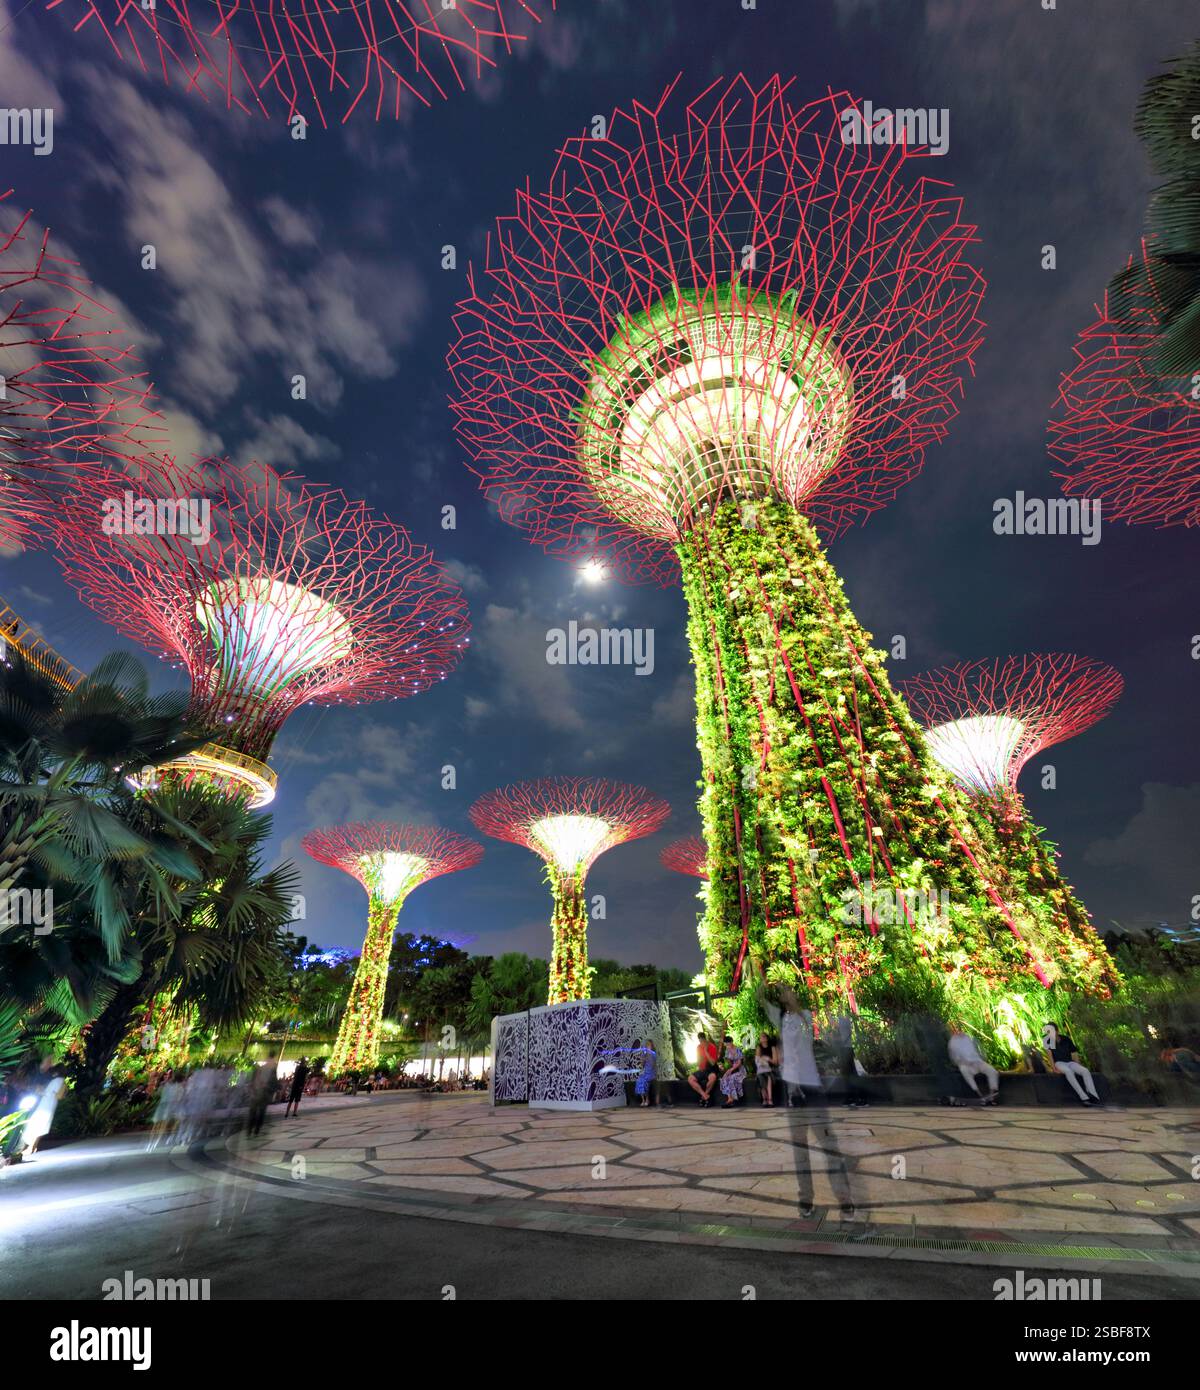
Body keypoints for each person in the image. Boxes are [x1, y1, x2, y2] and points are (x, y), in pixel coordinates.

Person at [1043, 1023, 1099, 1105]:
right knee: (1068, 1072)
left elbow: (1074, 1053)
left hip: (1070, 1062)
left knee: (1085, 1071)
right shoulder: (1046, 1041)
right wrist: (1054, 1068)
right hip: (1059, 1063)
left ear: (1057, 1031)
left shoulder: (1066, 1039)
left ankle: (1093, 1095)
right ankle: (1083, 1097)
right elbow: (1050, 1056)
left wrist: (1078, 1065)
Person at [947, 1023, 999, 1103]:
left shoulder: (968, 1038)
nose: (959, 1031)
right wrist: (962, 1062)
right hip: (966, 1065)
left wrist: (982, 1059)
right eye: (956, 1030)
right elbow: (954, 1059)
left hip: (978, 1063)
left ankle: (993, 1094)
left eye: (959, 1029)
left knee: (992, 1071)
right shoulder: (952, 1043)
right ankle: (978, 1094)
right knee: (965, 1071)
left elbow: (979, 1050)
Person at [246, 1057, 278, 1137]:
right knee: (253, 1113)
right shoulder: (254, 1078)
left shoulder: (266, 1077)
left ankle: (256, 1129)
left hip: (263, 1097)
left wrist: (265, 1087)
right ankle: (250, 1130)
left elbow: (271, 1086)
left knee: (260, 1114)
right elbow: (250, 1085)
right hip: (255, 1097)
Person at [687, 1031, 720, 1106]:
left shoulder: (712, 1047)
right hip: (702, 1070)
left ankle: (703, 1097)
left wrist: (706, 1052)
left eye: (703, 1041)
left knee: (712, 1078)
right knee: (690, 1079)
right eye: (700, 1041)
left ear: (706, 1039)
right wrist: (700, 1059)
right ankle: (705, 1096)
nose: (702, 1042)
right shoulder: (698, 1047)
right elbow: (698, 1062)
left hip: (711, 1070)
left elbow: (713, 1063)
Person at [718, 1032, 746, 1106]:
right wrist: (724, 1066)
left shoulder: (738, 1050)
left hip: (739, 1070)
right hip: (732, 1069)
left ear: (731, 1043)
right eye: (726, 1045)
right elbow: (728, 1063)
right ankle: (729, 1099)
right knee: (725, 1078)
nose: (727, 1046)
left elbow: (739, 1063)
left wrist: (731, 1069)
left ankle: (732, 1100)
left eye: (728, 1044)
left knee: (732, 1078)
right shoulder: (727, 1051)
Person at [754, 1031, 778, 1106]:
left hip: (771, 1069)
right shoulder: (759, 1047)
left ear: (767, 1038)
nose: (762, 1038)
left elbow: (775, 1062)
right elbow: (757, 1060)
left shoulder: (772, 1047)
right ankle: (764, 1099)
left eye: (764, 1036)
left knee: (768, 1078)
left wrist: (767, 1059)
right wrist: (761, 1060)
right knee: (761, 1077)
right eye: (761, 1037)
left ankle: (770, 1099)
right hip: (762, 1068)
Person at [634, 1040, 656, 1107]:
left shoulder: (653, 1054)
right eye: (647, 1046)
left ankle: (647, 1099)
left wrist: (648, 1057)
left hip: (651, 1072)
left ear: (651, 1046)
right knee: (639, 1081)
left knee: (644, 1082)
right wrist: (642, 1060)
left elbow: (653, 1065)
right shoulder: (644, 1054)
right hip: (645, 1071)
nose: (648, 1047)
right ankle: (643, 1100)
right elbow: (642, 1065)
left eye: (649, 1045)